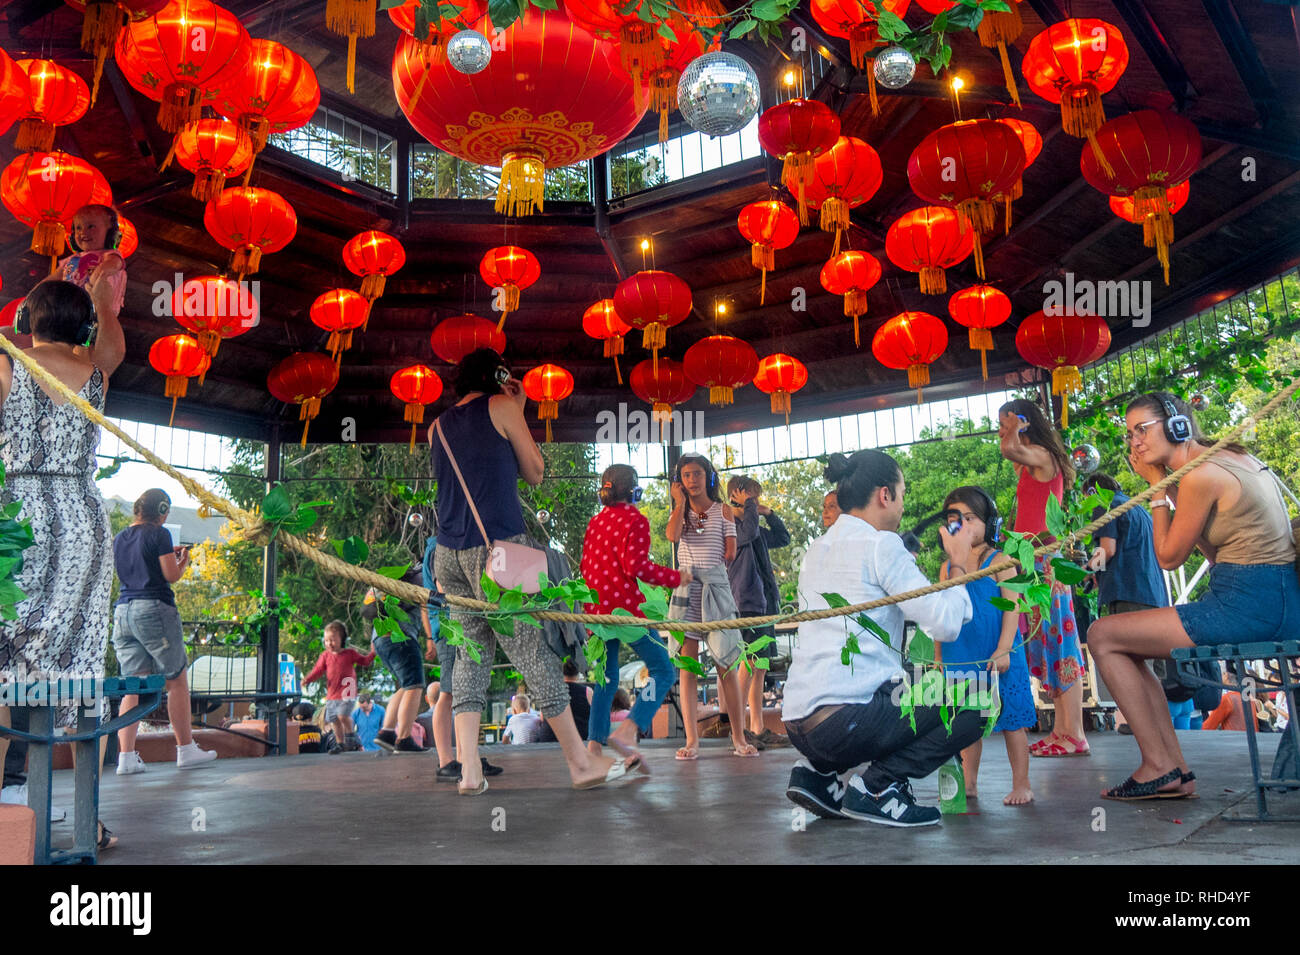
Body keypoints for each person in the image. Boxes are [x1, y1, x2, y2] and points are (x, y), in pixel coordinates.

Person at [429, 348, 624, 794]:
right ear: (498, 375)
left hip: (449, 555)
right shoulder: (500, 406)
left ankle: (470, 772)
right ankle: (580, 763)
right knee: (534, 654)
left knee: (470, 660)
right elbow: (535, 472)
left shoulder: (436, 426)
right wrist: (517, 409)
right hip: (497, 552)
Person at [1087, 392, 1300, 799]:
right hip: (1278, 598)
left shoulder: (1200, 477)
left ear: (1176, 426)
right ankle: (1172, 769)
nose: (1134, 443)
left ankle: (1161, 766)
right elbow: (1216, 552)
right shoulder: (1232, 457)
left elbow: (1168, 557)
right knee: (1125, 645)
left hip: (1248, 602)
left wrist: (1155, 488)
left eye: (1142, 430)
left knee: (1101, 635)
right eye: (1129, 434)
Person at [783, 450, 978, 827]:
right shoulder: (881, 545)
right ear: (885, 495)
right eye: (902, 495)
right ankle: (878, 788)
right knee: (977, 698)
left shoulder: (815, 550)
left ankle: (820, 777)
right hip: (845, 724)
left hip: (800, 725)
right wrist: (958, 561)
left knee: (902, 684)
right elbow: (945, 624)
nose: (903, 506)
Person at [0, 276, 125, 850]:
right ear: (82, 328)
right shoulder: (95, 374)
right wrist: (103, 302)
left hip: (17, 518)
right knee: (78, 673)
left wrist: (18, 333)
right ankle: (85, 824)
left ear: (29, 320)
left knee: (3, 675)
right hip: (82, 525)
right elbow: (113, 348)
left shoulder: (7, 365)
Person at [998, 397, 1087, 757]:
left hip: (1046, 562)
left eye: (1004, 421)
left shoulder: (1041, 457)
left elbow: (1008, 449)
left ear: (1023, 422)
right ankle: (1062, 729)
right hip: (1031, 562)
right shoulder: (1031, 460)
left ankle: (1074, 732)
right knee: (1046, 643)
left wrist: (1012, 431)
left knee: (1061, 643)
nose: (1000, 429)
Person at [935, 486, 1036, 806]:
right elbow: (942, 614)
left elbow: (1013, 608)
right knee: (967, 723)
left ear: (989, 523)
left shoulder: (1001, 560)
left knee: (1012, 721)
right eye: (955, 519)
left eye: (971, 518)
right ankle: (969, 783)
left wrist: (1005, 647)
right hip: (961, 653)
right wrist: (938, 656)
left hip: (999, 651)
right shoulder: (947, 567)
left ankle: (1022, 783)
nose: (963, 526)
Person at [579, 463, 682, 768]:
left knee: (607, 681)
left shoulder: (595, 522)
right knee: (663, 670)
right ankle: (629, 729)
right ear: (634, 491)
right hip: (624, 610)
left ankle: (594, 751)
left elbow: (587, 568)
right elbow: (636, 567)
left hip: (595, 610)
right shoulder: (635, 519)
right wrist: (675, 578)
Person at [112, 488, 218, 774]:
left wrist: (164, 557)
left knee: (132, 685)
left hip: (123, 610)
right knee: (176, 680)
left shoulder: (121, 537)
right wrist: (181, 562)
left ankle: (126, 758)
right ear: (162, 511)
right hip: (154, 608)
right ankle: (185, 750)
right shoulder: (160, 534)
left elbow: (138, 565)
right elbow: (170, 576)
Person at [666, 452, 757, 760]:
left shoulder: (724, 511)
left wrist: (712, 531)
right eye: (686, 475)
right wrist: (680, 505)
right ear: (679, 481)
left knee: (726, 664)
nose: (692, 480)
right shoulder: (679, 512)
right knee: (688, 666)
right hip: (687, 586)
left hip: (715, 588)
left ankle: (739, 736)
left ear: (709, 477)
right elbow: (672, 536)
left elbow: (730, 553)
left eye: (697, 474)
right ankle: (692, 740)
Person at [422, 537, 503, 782]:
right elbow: (443, 586)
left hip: (460, 625)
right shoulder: (439, 548)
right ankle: (446, 760)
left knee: (464, 691)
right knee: (449, 691)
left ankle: (467, 757)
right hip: (450, 627)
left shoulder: (447, 546)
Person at [363, 566, 431, 753]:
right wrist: (430, 639)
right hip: (401, 636)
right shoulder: (422, 578)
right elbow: (425, 607)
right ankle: (404, 738)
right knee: (415, 685)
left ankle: (387, 732)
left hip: (381, 638)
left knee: (406, 686)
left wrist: (375, 640)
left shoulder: (404, 576)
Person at [301, 621, 374, 754]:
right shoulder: (325, 656)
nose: (329, 643)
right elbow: (317, 670)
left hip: (347, 691)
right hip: (332, 693)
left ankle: (352, 736)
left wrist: (373, 653)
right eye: (327, 640)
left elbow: (365, 661)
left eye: (333, 640)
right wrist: (307, 679)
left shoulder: (349, 654)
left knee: (342, 715)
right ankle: (340, 744)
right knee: (333, 718)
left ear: (342, 640)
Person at [59, 205, 127, 317]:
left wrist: (98, 273)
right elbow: (55, 276)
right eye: (78, 228)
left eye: (91, 226)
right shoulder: (72, 259)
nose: (83, 232)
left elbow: (114, 264)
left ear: (109, 231)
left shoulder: (109, 255)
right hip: (70, 309)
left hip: (97, 310)